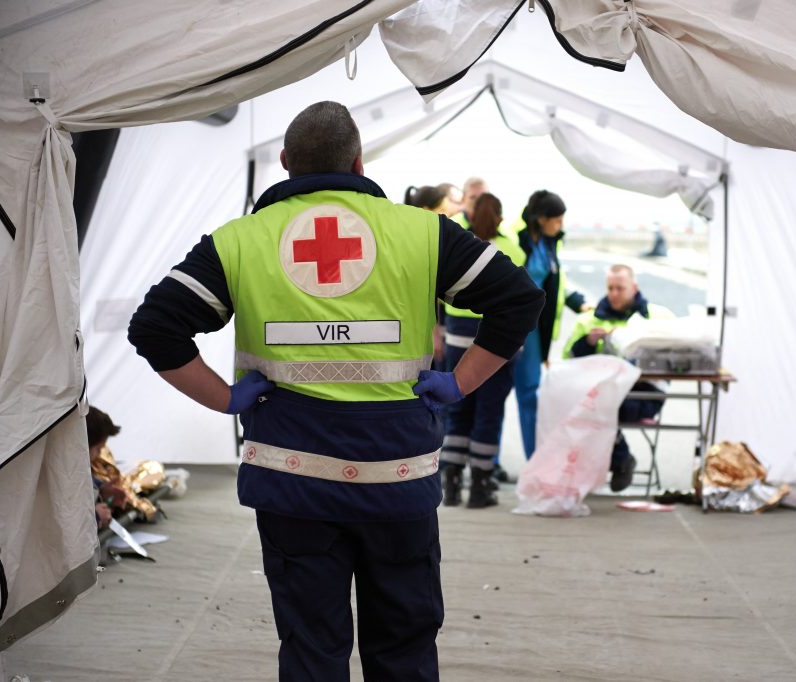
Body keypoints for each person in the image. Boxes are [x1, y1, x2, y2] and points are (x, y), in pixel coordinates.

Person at [128, 101, 543, 682]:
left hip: (291, 481)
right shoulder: (422, 233)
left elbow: (154, 327)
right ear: (358, 161)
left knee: (311, 650)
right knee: (402, 648)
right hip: (396, 481)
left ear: (283, 163)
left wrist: (225, 398)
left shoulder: (240, 241)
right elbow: (519, 298)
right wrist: (460, 382)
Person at [440, 193, 526, 508]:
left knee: (457, 408)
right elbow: (520, 300)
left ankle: (450, 482)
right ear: (501, 219)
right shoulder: (513, 248)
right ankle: (480, 484)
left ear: (470, 216)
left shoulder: (459, 242)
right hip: (494, 341)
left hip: (457, 336)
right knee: (489, 412)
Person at [562, 264, 675, 491]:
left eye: (620, 288)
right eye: (610, 288)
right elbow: (569, 360)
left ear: (634, 287)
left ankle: (618, 460)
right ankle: (621, 458)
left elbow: (676, 355)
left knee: (596, 408)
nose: (613, 294)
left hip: (645, 392)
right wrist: (589, 343)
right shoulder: (589, 320)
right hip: (601, 395)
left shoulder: (658, 317)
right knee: (585, 405)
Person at [508, 190, 588, 459]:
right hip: (508, 321)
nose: (561, 226)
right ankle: (489, 464)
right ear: (541, 218)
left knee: (530, 393)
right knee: (492, 394)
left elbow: (554, 283)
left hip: (533, 327)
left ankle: (535, 459)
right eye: (557, 220)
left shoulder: (551, 242)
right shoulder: (514, 238)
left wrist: (577, 302)